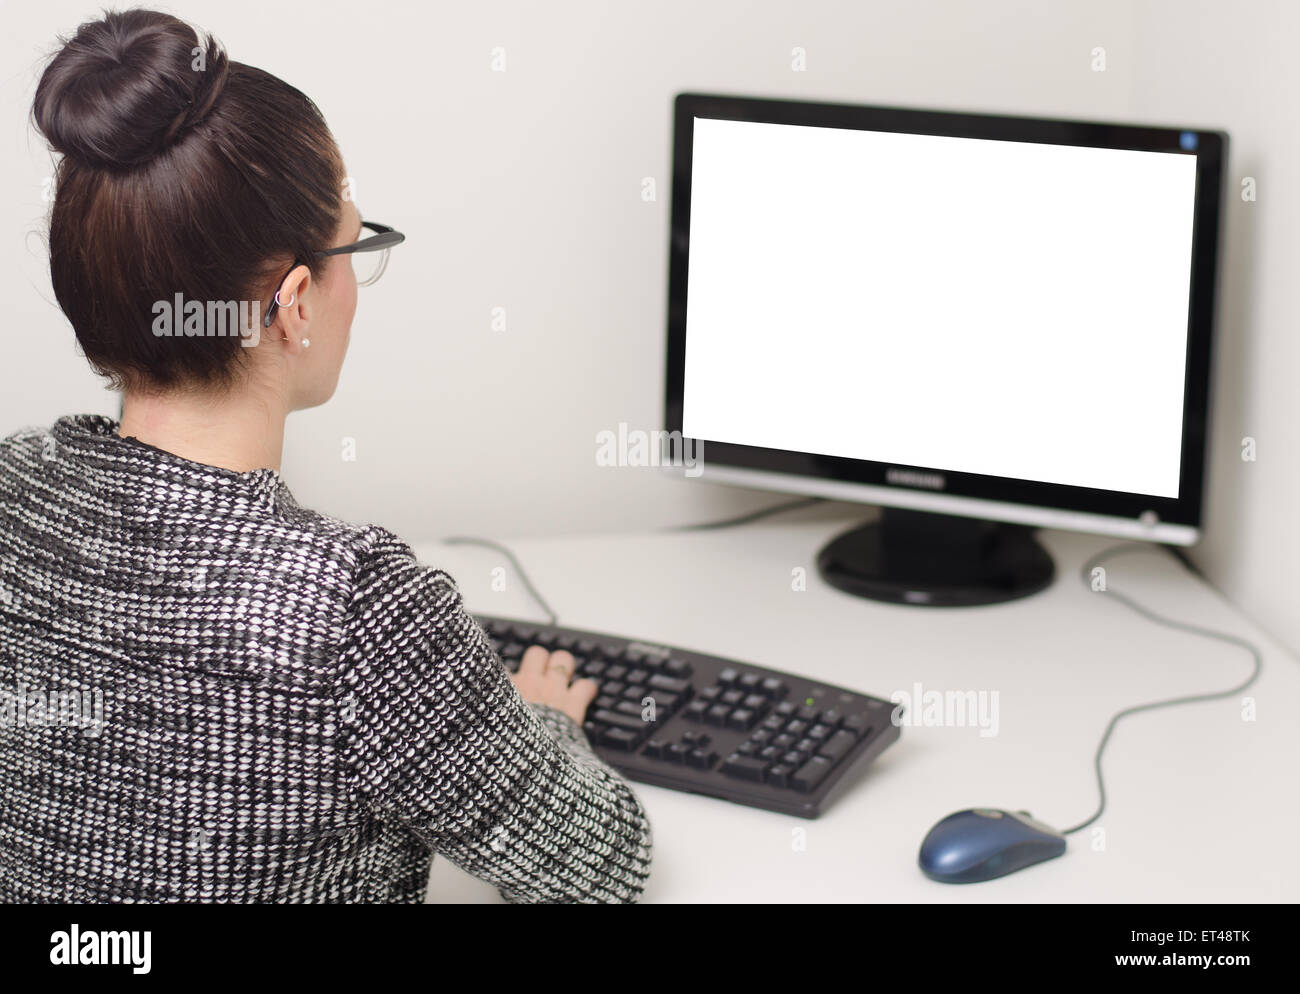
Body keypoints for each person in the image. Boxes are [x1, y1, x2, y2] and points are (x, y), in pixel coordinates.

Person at [0, 8, 651, 903]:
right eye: (355, 247)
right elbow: (601, 866)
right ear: (296, 302)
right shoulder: (355, 610)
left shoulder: (12, 492)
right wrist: (540, 727)